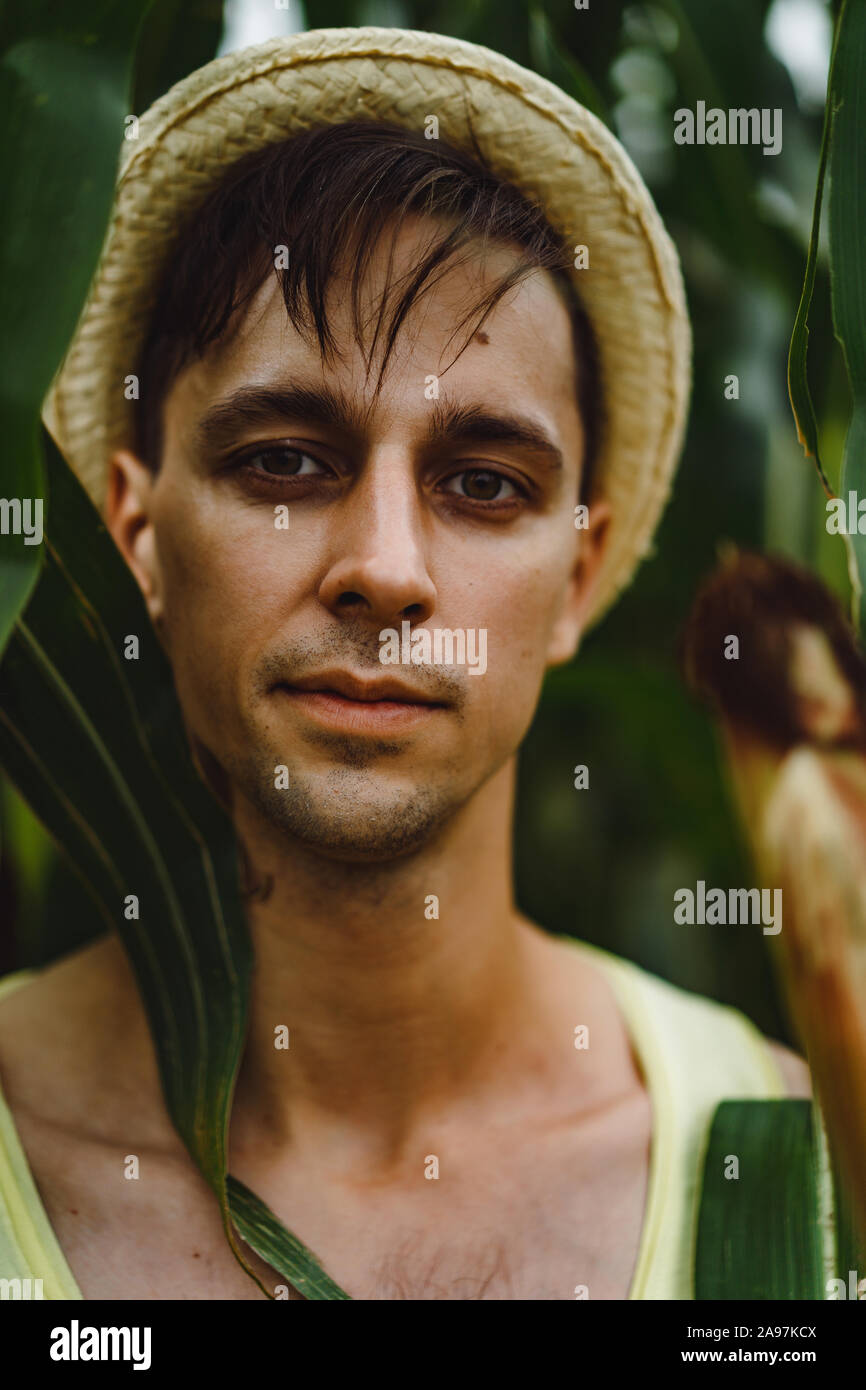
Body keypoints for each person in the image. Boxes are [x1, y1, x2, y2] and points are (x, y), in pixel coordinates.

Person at [0, 27, 809, 1301]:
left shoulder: (786, 1160)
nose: (384, 568)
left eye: (482, 483)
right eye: (284, 459)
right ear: (133, 534)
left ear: (581, 578)